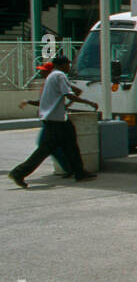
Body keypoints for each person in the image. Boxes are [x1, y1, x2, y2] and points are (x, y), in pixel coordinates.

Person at [9, 54, 98, 187]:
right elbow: (69, 95)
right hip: (56, 120)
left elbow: (68, 93)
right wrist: (89, 103)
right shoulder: (59, 75)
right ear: (61, 65)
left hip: (57, 118)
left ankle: (79, 172)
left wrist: (65, 106)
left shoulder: (52, 76)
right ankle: (19, 172)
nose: (69, 67)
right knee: (46, 149)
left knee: (70, 145)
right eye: (67, 65)